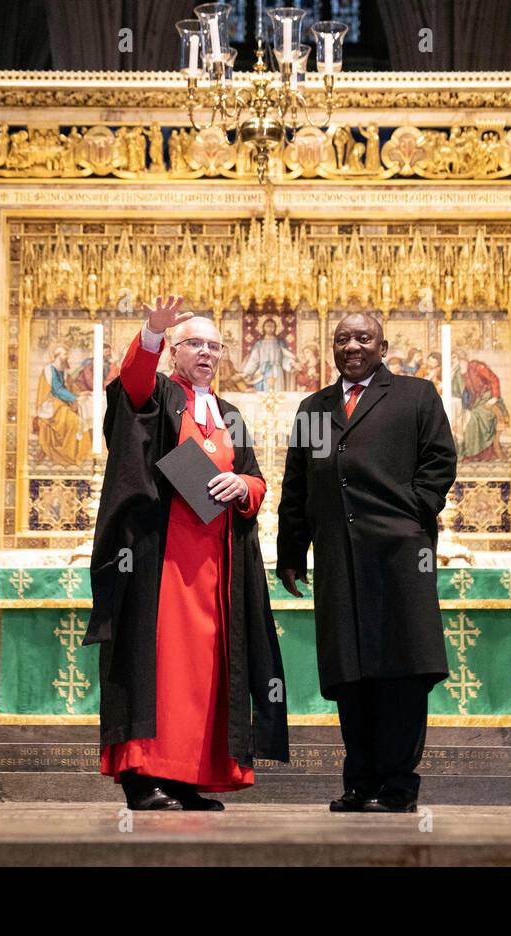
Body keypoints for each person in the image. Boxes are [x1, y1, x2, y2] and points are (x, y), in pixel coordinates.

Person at [83, 295, 289, 811]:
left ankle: (187, 778)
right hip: (158, 561)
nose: (206, 353)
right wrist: (150, 334)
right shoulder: (157, 395)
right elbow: (130, 386)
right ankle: (145, 779)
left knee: (206, 677)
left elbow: (256, 480)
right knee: (159, 670)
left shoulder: (230, 413)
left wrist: (243, 488)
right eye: (195, 343)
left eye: (214, 346)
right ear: (174, 352)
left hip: (218, 570)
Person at [276, 313, 457, 813]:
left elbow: (440, 461)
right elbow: (300, 484)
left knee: (400, 671)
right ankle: (360, 782)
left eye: (363, 338)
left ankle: (397, 786)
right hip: (339, 558)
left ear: (382, 345)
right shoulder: (315, 410)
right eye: (342, 339)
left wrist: (413, 513)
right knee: (350, 675)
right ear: (331, 348)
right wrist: (292, 550)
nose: (352, 346)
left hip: (400, 557)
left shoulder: (415, 396)